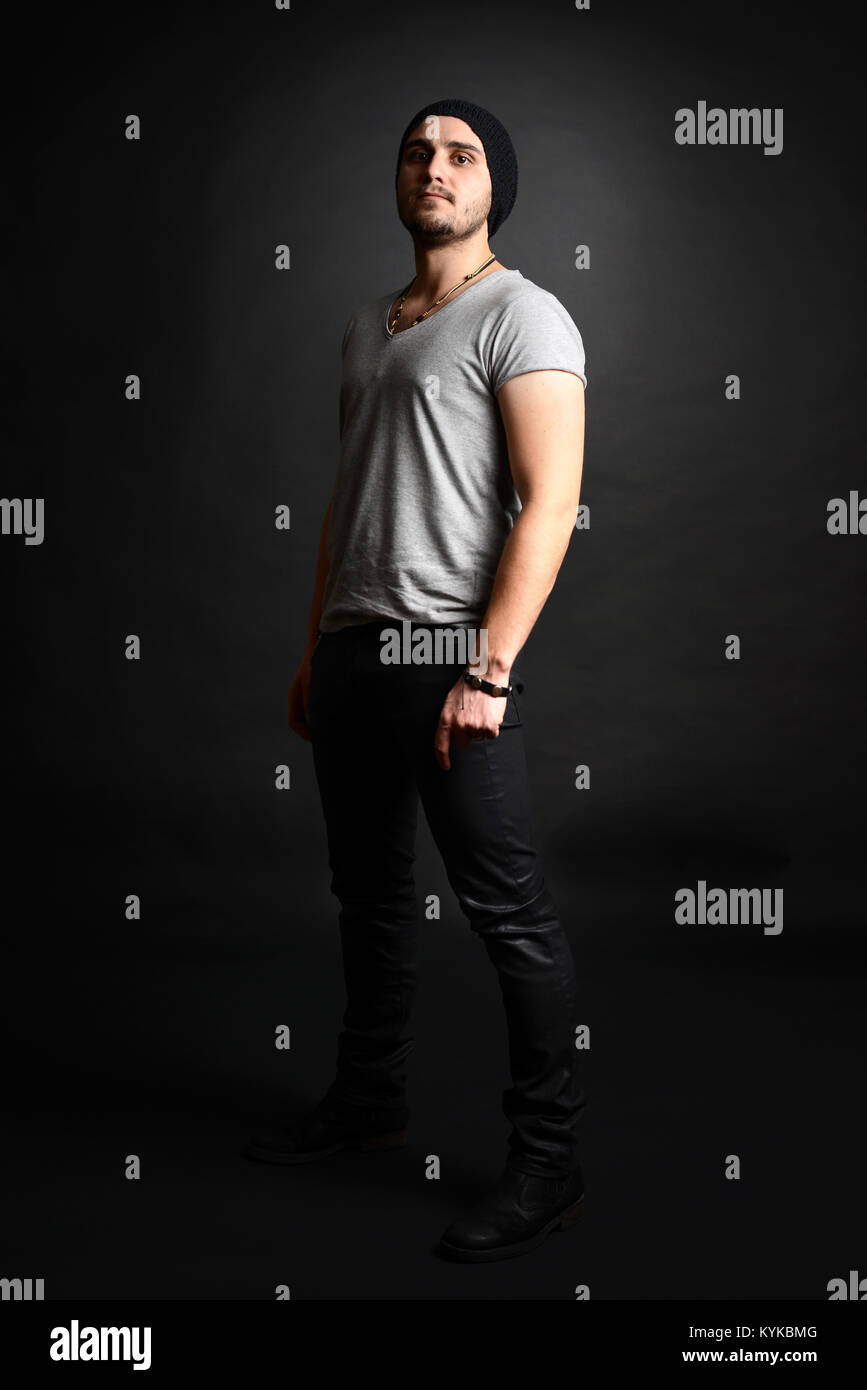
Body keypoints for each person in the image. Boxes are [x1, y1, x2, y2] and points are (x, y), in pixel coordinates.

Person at [243, 98, 588, 1264]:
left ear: (497, 186)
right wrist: (314, 648)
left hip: (448, 653)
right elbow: (346, 507)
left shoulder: (523, 313)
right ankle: (368, 1100)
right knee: (372, 898)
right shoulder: (367, 327)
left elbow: (549, 504)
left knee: (510, 918)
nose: (433, 170)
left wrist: (489, 667)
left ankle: (549, 1161)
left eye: (461, 155)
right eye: (417, 153)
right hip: (352, 654)